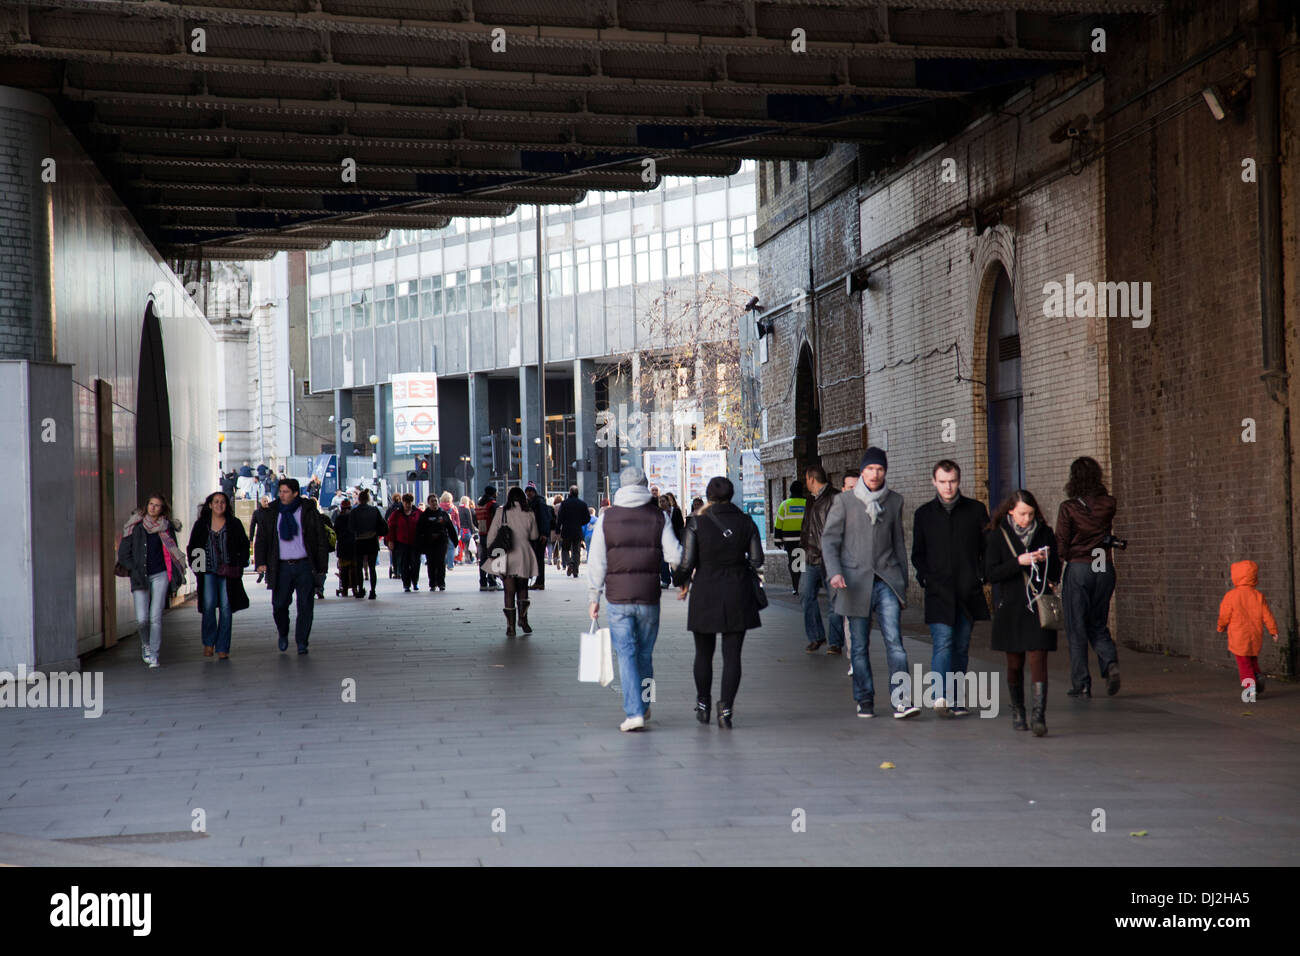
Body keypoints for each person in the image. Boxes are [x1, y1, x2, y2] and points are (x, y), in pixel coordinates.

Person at [821, 448, 918, 720]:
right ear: (862, 471)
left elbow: (898, 542)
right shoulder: (844, 502)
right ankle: (864, 699)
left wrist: (902, 580)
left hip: (886, 579)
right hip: (854, 581)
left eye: (880, 469)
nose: (875, 474)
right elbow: (829, 541)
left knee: (895, 642)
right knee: (860, 645)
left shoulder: (895, 501)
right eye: (870, 468)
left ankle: (902, 701)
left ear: (885, 471)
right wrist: (835, 572)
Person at [587, 465, 684, 732]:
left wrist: (594, 596)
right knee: (645, 654)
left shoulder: (607, 518)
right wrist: (684, 579)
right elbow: (674, 555)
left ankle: (634, 712)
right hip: (649, 598)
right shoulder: (659, 516)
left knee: (626, 654)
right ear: (644, 485)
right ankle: (645, 703)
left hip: (618, 599)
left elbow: (596, 561)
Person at [674, 476, 764, 728]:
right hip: (738, 592)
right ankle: (726, 710)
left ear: (708, 495)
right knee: (732, 655)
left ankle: (703, 704)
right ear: (731, 495)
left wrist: (680, 581)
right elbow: (757, 560)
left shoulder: (696, 523)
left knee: (703, 653)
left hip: (705, 592)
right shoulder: (746, 522)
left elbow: (686, 562)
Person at [911, 460, 990, 717]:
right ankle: (940, 696)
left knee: (961, 646)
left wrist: (980, 576)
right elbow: (917, 554)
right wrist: (926, 577)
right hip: (938, 591)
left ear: (959, 481)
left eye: (952, 481)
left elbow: (987, 549)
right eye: (943, 481)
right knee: (943, 642)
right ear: (934, 481)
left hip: (968, 591)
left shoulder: (976, 511)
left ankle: (956, 699)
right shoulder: (923, 515)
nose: (948, 486)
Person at [985, 489, 1061, 736]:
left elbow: (1057, 570)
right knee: (1014, 662)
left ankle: (1039, 715)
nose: (1026, 519)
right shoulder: (998, 536)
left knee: (1038, 658)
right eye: (1021, 514)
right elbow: (990, 573)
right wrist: (1019, 561)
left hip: (1038, 605)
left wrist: (1044, 562)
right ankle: (1018, 710)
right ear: (1010, 511)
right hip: (1012, 606)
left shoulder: (1045, 533)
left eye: (1030, 514)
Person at [1056, 456, 1122, 698]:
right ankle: (1110, 663)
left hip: (1080, 568)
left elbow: (1061, 543)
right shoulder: (1109, 504)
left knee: (1076, 627)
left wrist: (1054, 572)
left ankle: (1082, 683)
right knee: (1097, 622)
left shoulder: (1069, 508)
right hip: (1103, 566)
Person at [254, 478, 330, 654]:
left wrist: (321, 566)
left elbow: (320, 539)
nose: (282, 495)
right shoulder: (272, 512)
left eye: (286, 491)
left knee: (305, 605)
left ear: (295, 493)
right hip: (281, 567)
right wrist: (261, 562)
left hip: (304, 565)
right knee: (279, 604)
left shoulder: (308, 511)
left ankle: (302, 642)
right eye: (280, 491)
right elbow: (262, 539)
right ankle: (283, 632)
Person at [117, 495, 187, 668]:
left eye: (157, 506)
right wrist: (134, 569)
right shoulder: (134, 526)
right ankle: (145, 644)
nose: (153, 508)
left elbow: (172, 551)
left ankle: (154, 654)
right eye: (151, 504)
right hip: (139, 575)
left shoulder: (166, 527)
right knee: (142, 619)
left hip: (160, 575)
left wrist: (174, 573)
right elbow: (124, 554)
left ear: (162, 509)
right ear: (146, 505)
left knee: (155, 617)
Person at [186, 491, 250, 659]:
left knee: (226, 608)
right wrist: (197, 569)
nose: (219, 505)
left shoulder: (234, 524)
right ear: (210, 505)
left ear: (226, 505)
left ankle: (223, 647)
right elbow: (193, 547)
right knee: (208, 606)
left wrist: (239, 564)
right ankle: (208, 642)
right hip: (207, 572)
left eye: (222, 502)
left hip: (228, 573)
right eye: (216, 502)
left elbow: (244, 545)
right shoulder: (202, 525)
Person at [798, 465, 843, 655]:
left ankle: (835, 642)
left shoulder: (834, 497)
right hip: (809, 557)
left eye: (806, 479)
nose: (806, 483)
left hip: (829, 558)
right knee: (806, 595)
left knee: (835, 602)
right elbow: (806, 528)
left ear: (811, 479)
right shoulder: (809, 500)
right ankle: (816, 636)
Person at [1217, 560, 1280, 695]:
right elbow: (1267, 615)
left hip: (1239, 636)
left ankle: (1250, 691)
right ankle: (1258, 675)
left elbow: (1224, 615)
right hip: (1255, 635)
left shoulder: (1231, 596)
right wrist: (1273, 630)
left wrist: (1221, 627)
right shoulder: (1258, 596)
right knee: (1252, 659)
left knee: (1243, 664)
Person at [485, 487, 540, 635]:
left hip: (505, 554)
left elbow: (491, 535)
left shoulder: (501, 512)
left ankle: (510, 626)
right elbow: (534, 535)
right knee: (523, 588)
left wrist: (491, 554)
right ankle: (523, 619)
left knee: (509, 591)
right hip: (523, 554)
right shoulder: (529, 512)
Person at [349, 488, 387, 599]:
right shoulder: (374, 510)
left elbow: (351, 528)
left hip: (359, 541)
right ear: (368, 499)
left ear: (359, 499)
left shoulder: (354, 511)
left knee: (359, 567)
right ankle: (373, 591)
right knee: (372, 567)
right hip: (372, 540)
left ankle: (361, 589)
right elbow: (381, 525)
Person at [418, 495, 458, 591]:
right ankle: (432, 583)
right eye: (432, 501)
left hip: (441, 542)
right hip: (429, 543)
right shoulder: (425, 515)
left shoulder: (443, 514)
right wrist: (420, 544)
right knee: (431, 563)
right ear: (429, 503)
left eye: (436, 501)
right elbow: (419, 530)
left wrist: (455, 540)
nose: (434, 503)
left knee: (441, 562)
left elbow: (450, 528)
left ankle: (441, 583)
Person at [774, 481, 808, 595]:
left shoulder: (784, 504)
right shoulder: (807, 503)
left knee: (793, 563)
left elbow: (778, 524)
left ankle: (796, 587)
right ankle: (804, 586)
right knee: (802, 563)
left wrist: (777, 540)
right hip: (805, 540)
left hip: (790, 541)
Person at [387, 493, 422, 592]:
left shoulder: (418, 513)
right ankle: (406, 584)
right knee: (404, 564)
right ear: (403, 502)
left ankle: (415, 582)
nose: (408, 505)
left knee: (415, 563)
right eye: (406, 503)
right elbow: (391, 527)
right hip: (401, 543)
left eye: (410, 502)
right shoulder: (396, 514)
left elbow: (423, 527)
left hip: (415, 543)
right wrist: (390, 540)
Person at [556, 485, 591, 578]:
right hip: (577, 530)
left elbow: (560, 518)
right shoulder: (582, 504)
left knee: (565, 549)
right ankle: (575, 570)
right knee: (576, 550)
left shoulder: (564, 504)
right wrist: (580, 522)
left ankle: (569, 563)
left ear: (570, 493)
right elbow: (587, 518)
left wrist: (558, 529)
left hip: (566, 530)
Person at [524, 482, 552, 590]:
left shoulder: (539, 503)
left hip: (539, 535)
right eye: (527, 491)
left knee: (539, 559)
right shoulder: (530, 503)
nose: (529, 493)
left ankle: (540, 582)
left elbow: (544, 519)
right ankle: (538, 581)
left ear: (534, 492)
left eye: (530, 491)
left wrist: (544, 533)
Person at [334, 497, 361, 597]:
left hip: (342, 547)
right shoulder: (354, 518)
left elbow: (335, 531)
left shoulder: (338, 518)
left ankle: (344, 589)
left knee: (344, 569)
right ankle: (355, 587)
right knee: (354, 568)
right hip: (354, 546)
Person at [475, 486, 500, 591]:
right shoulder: (493, 505)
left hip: (482, 534)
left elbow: (476, 521)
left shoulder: (480, 505)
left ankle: (483, 582)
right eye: (496, 492)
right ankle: (492, 581)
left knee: (483, 559)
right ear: (493, 493)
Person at [457, 496, 476, 564]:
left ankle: (460, 559)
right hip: (466, 530)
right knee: (467, 545)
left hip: (460, 530)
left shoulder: (458, 509)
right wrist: (472, 531)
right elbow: (470, 521)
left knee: (461, 545)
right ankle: (467, 559)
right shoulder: (466, 509)